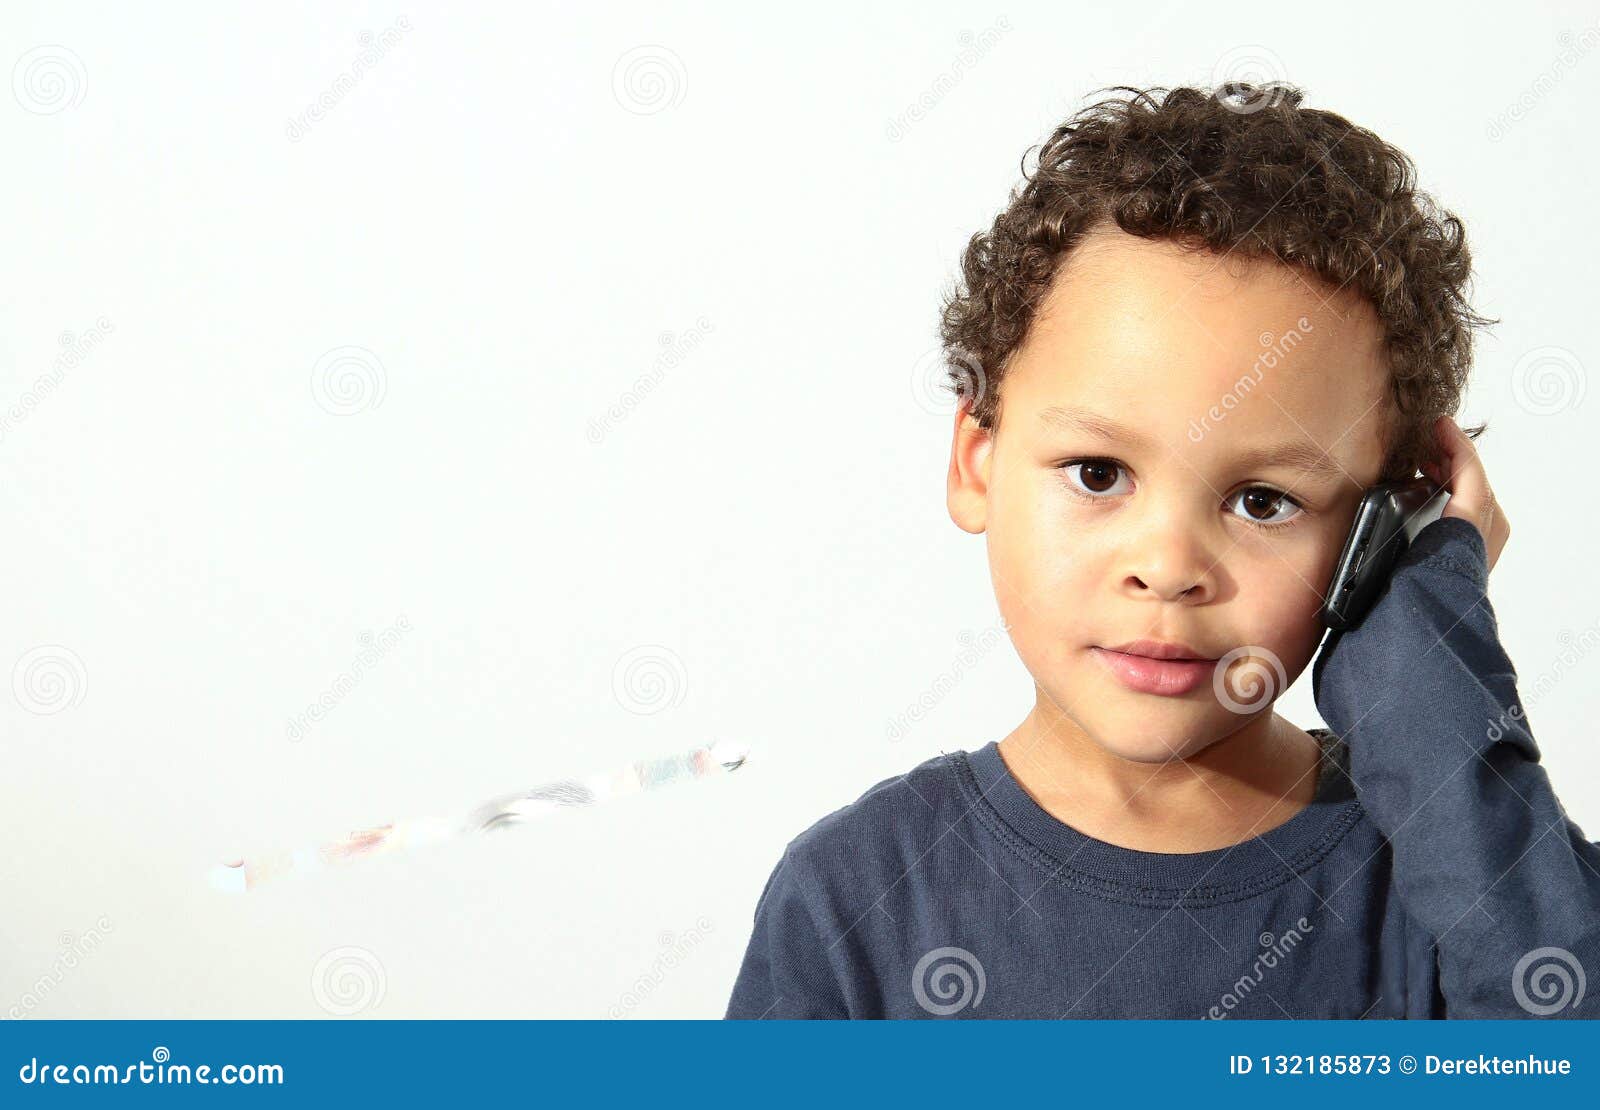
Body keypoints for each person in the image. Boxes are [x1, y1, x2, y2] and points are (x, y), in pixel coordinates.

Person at [724, 82, 1598, 1019]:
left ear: (1382, 525)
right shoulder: (853, 902)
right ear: (978, 463)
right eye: (1098, 473)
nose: (1168, 565)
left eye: (1265, 500)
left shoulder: (1459, 883)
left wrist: (1426, 645)